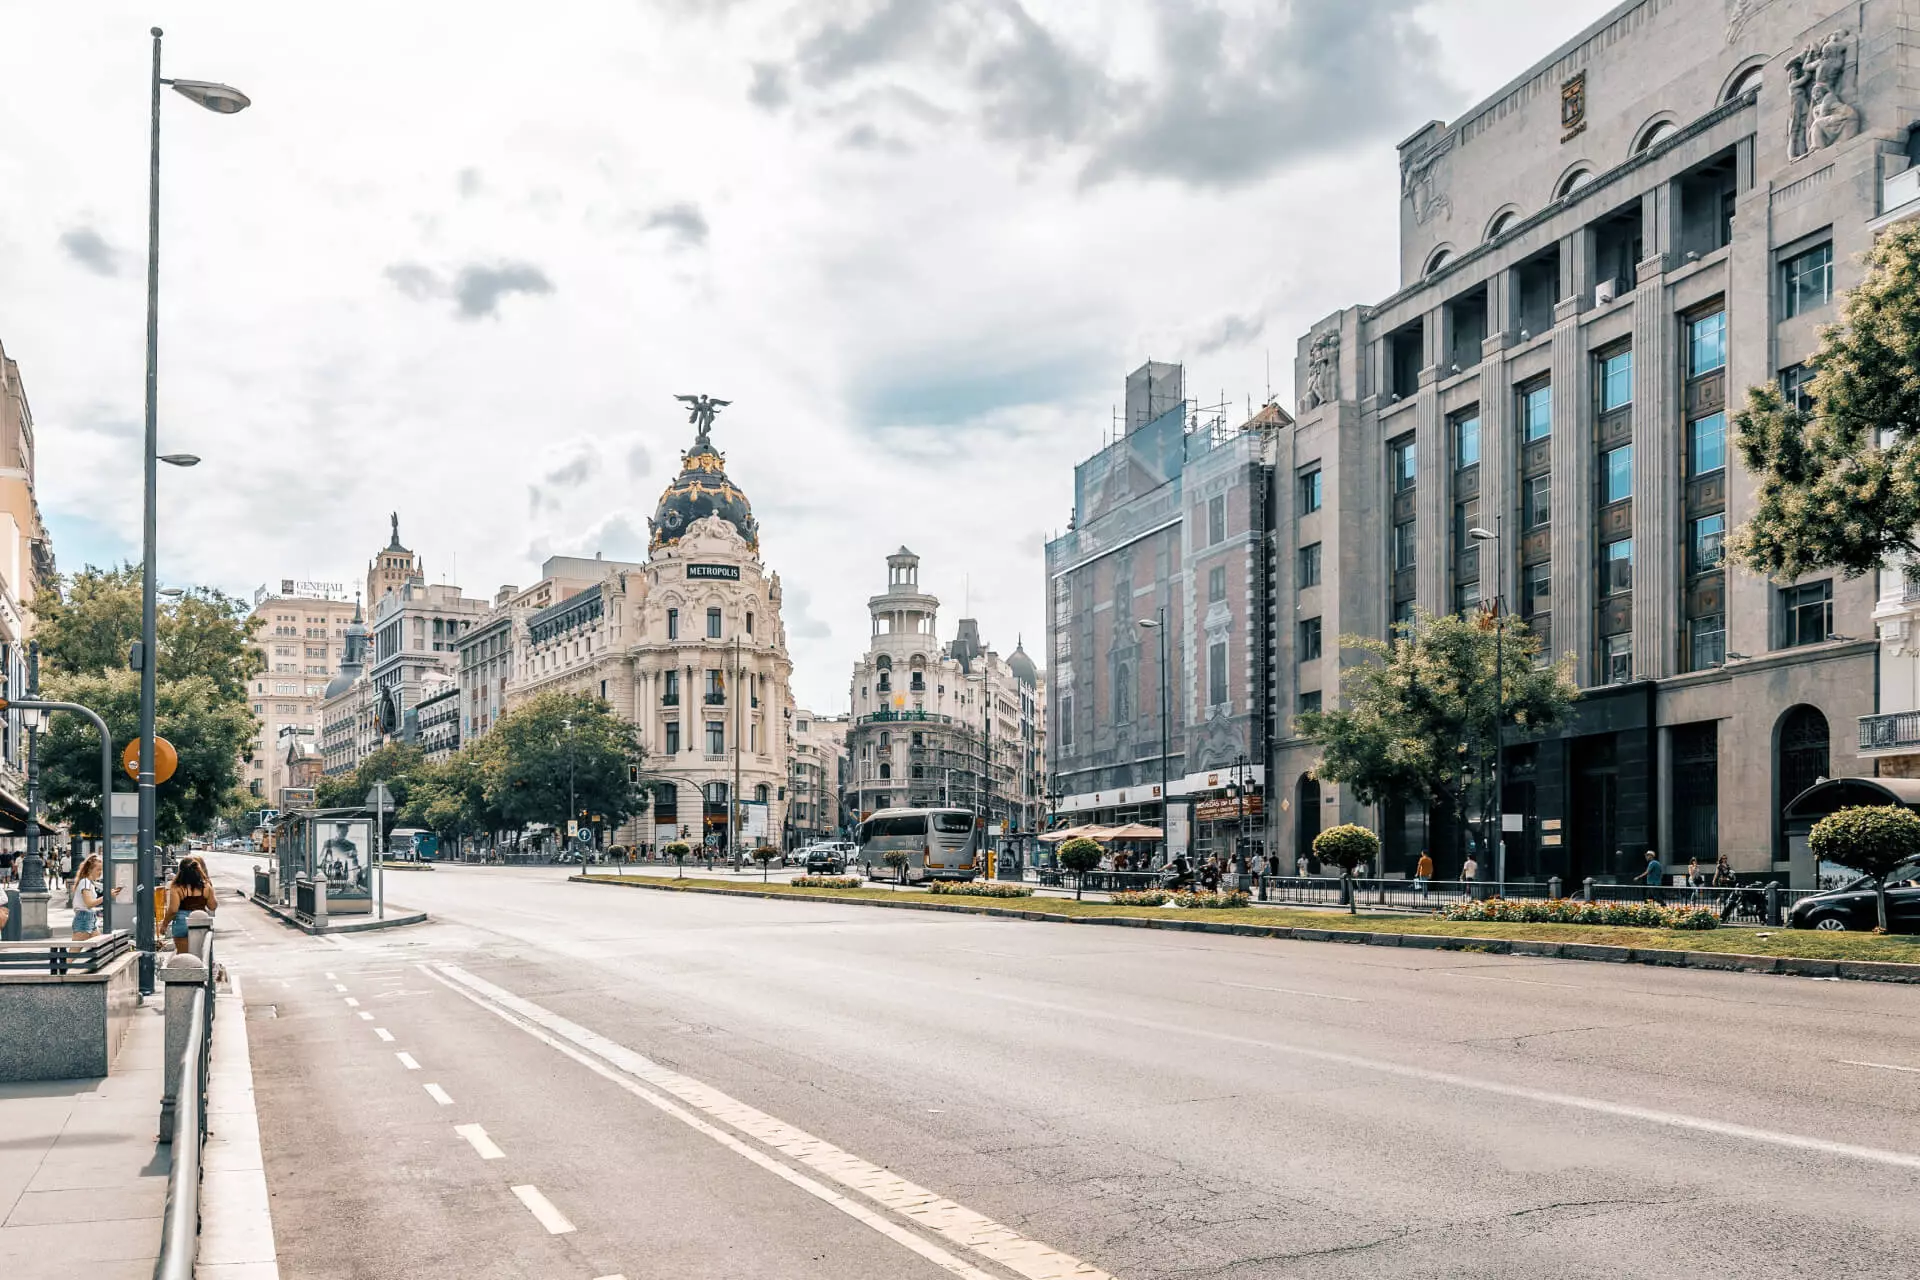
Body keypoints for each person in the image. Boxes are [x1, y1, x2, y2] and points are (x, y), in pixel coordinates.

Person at [165, 857, 217, 953]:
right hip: (201, 922)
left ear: (180, 870)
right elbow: (212, 906)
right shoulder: (206, 886)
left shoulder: (176, 887)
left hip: (182, 922)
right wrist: (205, 877)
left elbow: (173, 910)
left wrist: (164, 925)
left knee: (184, 957)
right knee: (203, 955)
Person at [70, 853, 121, 941]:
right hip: (84, 919)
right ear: (89, 870)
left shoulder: (89, 883)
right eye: (98, 870)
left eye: (101, 870)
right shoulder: (85, 882)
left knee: (100, 948)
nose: (100, 873)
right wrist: (108, 896)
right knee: (75, 951)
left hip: (89, 918)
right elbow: (89, 904)